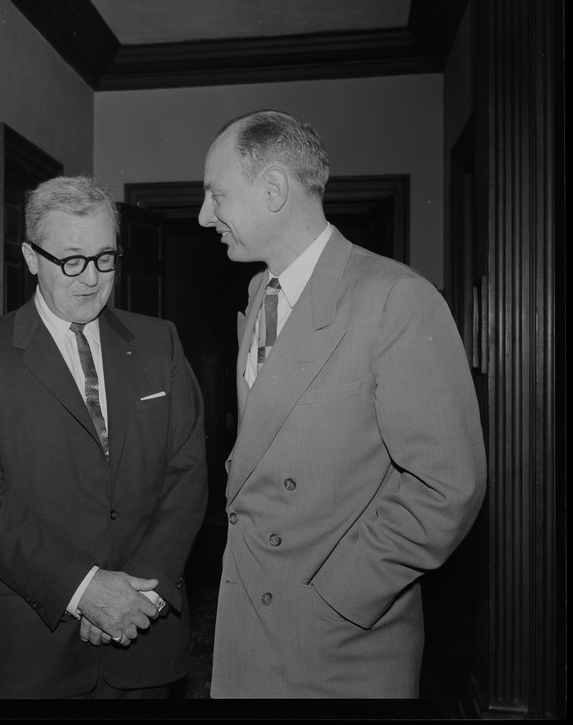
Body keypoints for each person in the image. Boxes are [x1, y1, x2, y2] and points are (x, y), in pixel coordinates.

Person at [200, 109, 487, 698]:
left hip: (338, 646)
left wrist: (338, 594)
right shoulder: (260, 294)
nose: (206, 216)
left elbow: (448, 486)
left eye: (215, 195)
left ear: (274, 189)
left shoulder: (397, 298)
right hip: (248, 624)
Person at [0, 176, 207, 699]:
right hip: (35, 640)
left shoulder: (159, 342)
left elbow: (188, 474)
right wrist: (86, 590)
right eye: (71, 260)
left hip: (147, 632)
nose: (92, 278)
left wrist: (140, 595)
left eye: (106, 257)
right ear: (31, 257)